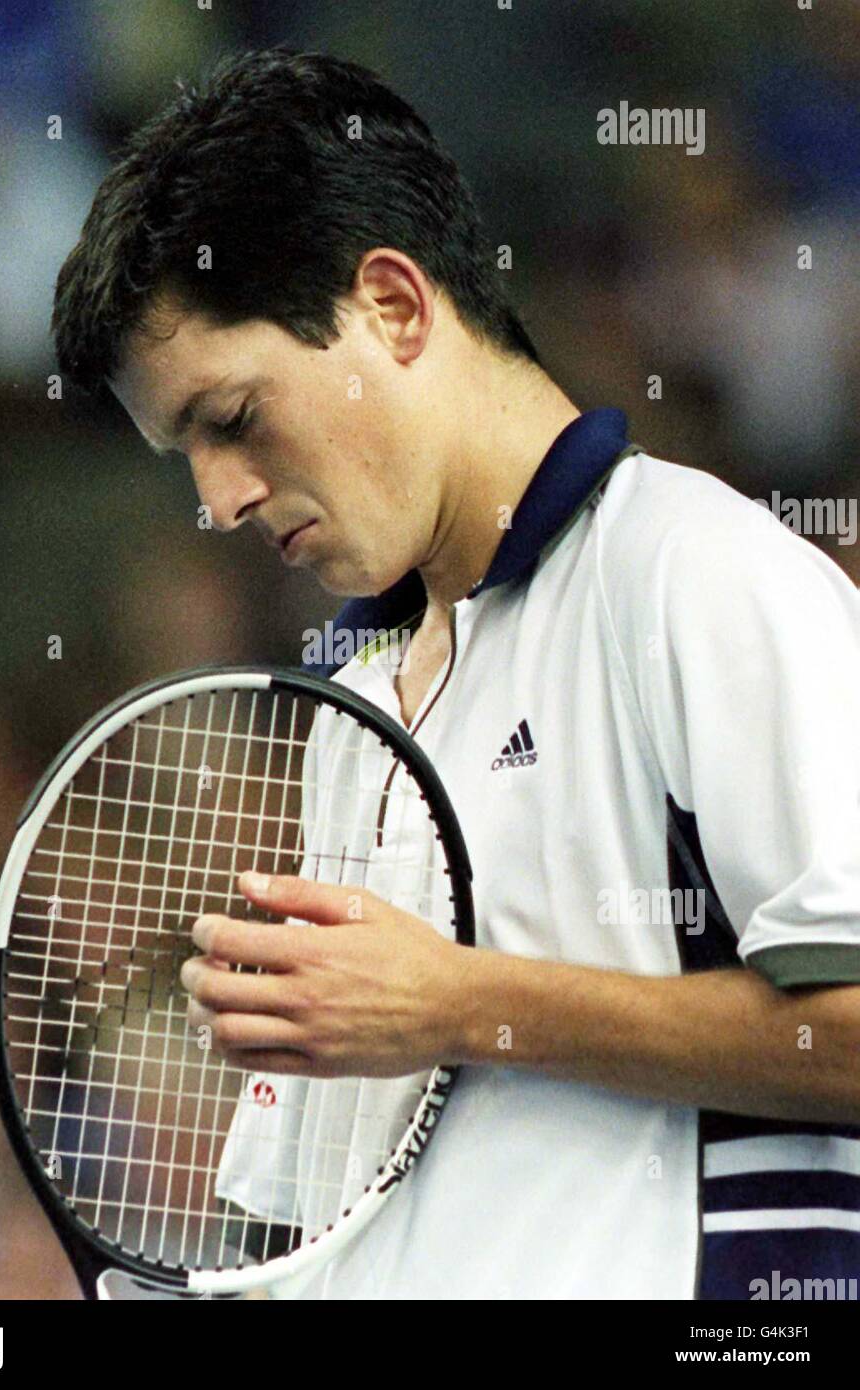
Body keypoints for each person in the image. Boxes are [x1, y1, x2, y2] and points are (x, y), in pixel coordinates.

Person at [51, 47, 860, 1299]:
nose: (217, 498)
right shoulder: (354, 705)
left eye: (232, 417)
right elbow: (337, 1213)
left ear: (394, 306)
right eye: (183, 453)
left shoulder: (695, 574)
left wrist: (457, 1004)